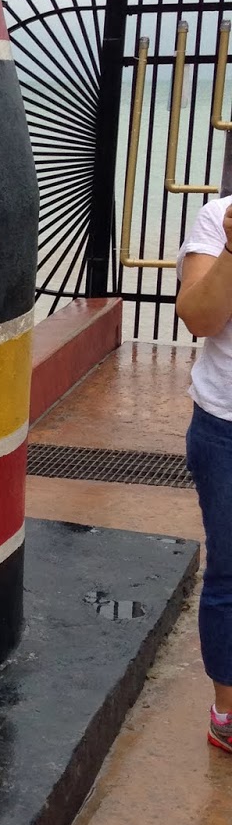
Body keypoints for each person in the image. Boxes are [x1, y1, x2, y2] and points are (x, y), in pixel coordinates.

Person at [177, 193, 232, 750]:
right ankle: (228, 714)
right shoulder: (219, 217)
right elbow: (199, 317)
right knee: (231, 572)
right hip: (227, 426)